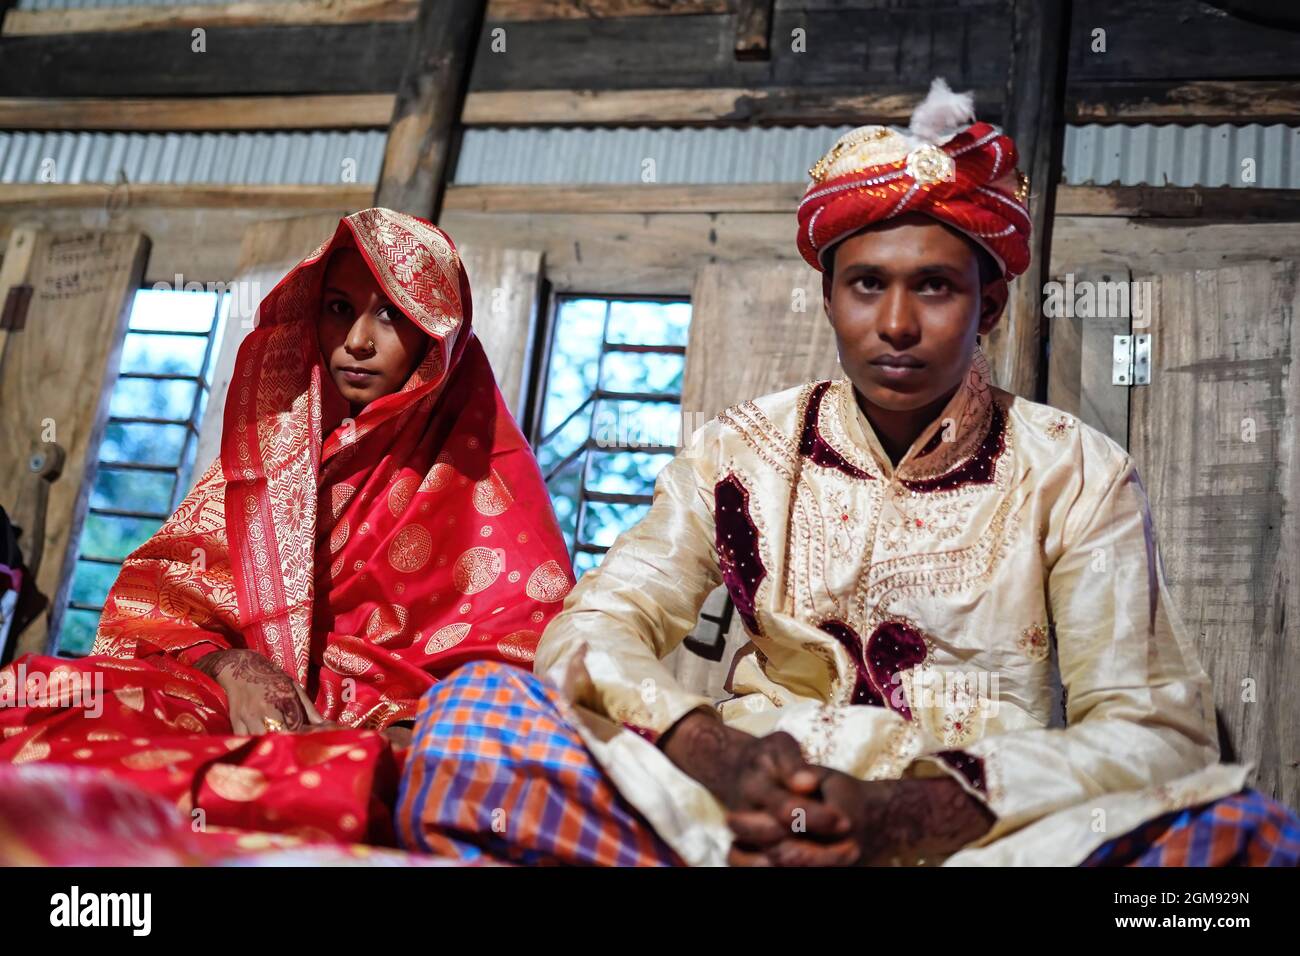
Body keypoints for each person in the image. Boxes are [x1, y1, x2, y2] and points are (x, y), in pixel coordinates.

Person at [395, 81, 1300, 866]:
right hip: (734, 814)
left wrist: (910, 813)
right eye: (867, 284)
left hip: (969, 837)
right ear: (828, 294)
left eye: (936, 288)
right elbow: (599, 623)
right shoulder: (740, 449)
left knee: (1243, 841)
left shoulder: (1076, 471)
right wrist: (707, 747)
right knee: (473, 718)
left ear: (992, 305)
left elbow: (1157, 731)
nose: (896, 323)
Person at [0, 208, 574, 848]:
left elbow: (520, 662)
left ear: (439, 336)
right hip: (246, 702)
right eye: (337, 306)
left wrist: (401, 735)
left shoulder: (484, 475)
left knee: (403, 787)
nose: (357, 339)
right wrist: (236, 666)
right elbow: (160, 603)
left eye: (391, 313)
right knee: (56, 703)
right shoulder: (273, 455)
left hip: (404, 736)